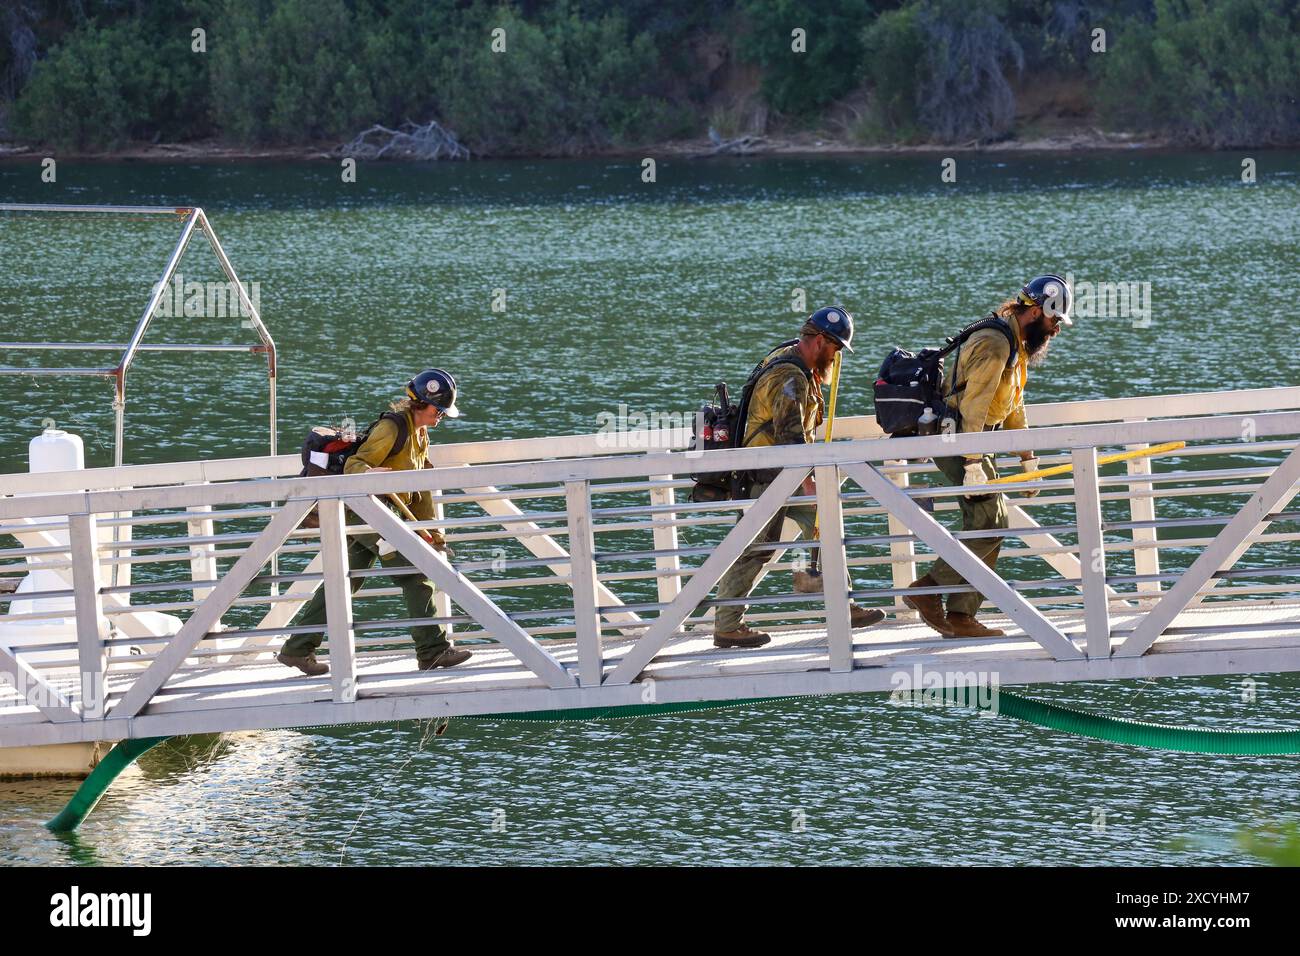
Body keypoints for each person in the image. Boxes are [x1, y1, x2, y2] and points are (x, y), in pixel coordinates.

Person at [905, 275, 1072, 638]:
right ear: (1035, 312)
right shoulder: (995, 344)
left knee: (986, 522)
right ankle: (929, 590)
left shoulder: (1015, 344)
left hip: (974, 441)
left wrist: (1029, 458)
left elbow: (1013, 404)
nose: (1056, 330)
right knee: (992, 522)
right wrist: (972, 464)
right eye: (1054, 320)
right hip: (959, 440)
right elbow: (975, 408)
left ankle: (960, 614)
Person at [713, 307, 889, 649]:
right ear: (820, 341)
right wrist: (810, 480)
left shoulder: (795, 362)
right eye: (836, 348)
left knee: (825, 530)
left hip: (782, 473)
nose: (837, 357)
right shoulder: (790, 375)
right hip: (768, 476)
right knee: (756, 550)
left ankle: (843, 604)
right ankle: (727, 626)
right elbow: (790, 434)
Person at [278, 368, 472, 675]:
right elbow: (355, 464)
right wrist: (367, 475)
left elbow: (420, 492)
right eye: (439, 410)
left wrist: (433, 535)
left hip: (381, 514)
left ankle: (297, 649)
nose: (441, 417)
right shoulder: (391, 428)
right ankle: (432, 650)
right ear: (421, 403)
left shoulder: (421, 436)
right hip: (369, 512)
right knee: (414, 572)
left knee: (345, 579)